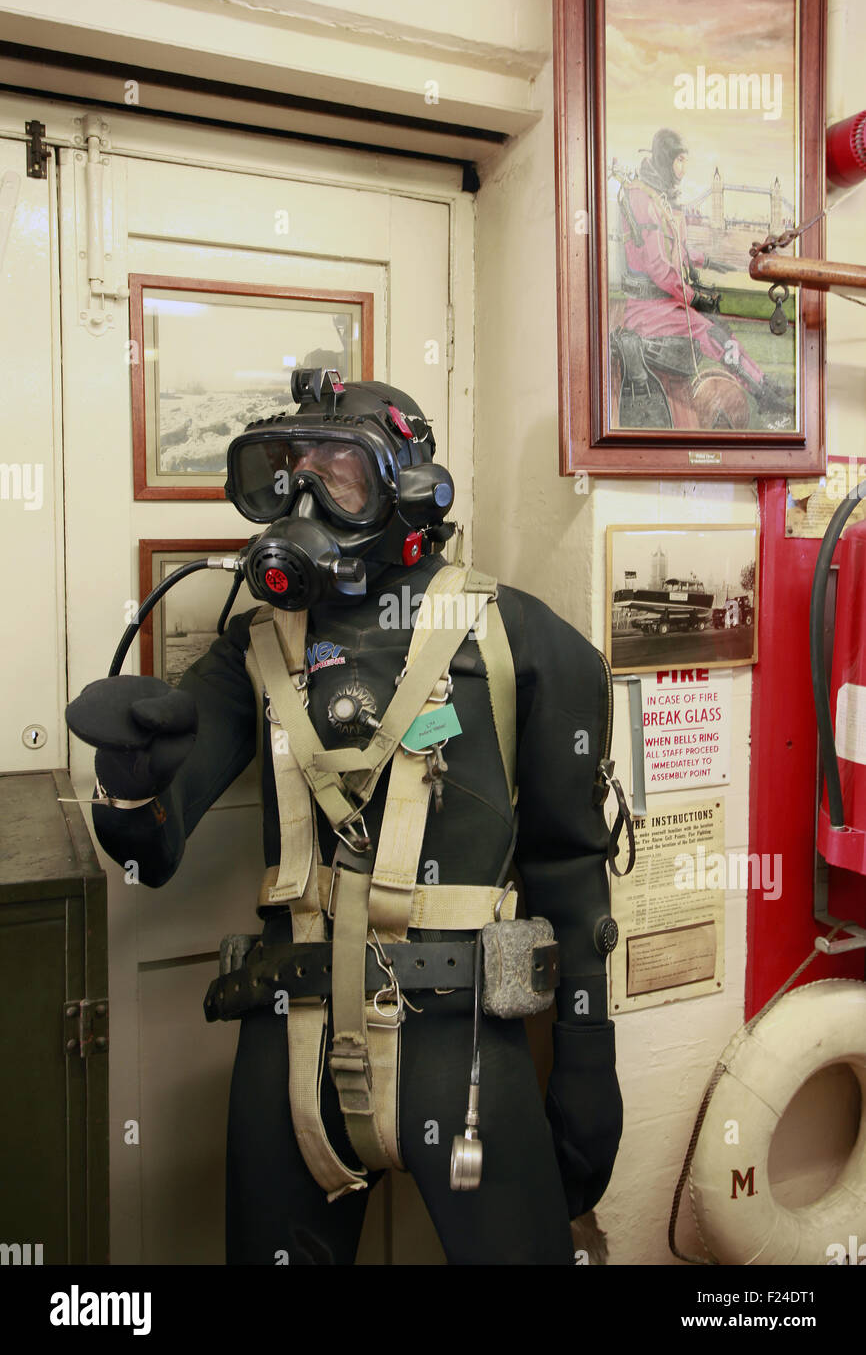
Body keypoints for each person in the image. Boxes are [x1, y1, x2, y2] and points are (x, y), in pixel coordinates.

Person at [66, 375, 624, 1265]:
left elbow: (571, 872)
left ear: (411, 487)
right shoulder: (254, 646)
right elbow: (151, 850)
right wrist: (131, 776)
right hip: (288, 1044)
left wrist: (589, 1056)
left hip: (466, 1047)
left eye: (339, 470)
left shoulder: (523, 641)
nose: (304, 494)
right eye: (287, 471)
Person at [616, 128, 792, 424]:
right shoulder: (642, 199)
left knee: (720, 326)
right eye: (679, 160)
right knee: (710, 332)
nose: (683, 169)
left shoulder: (660, 195)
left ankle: (762, 383)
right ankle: (763, 397)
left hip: (666, 303)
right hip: (648, 310)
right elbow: (659, 267)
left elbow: (676, 250)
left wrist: (708, 260)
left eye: (685, 161)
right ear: (665, 158)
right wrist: (694, 296)